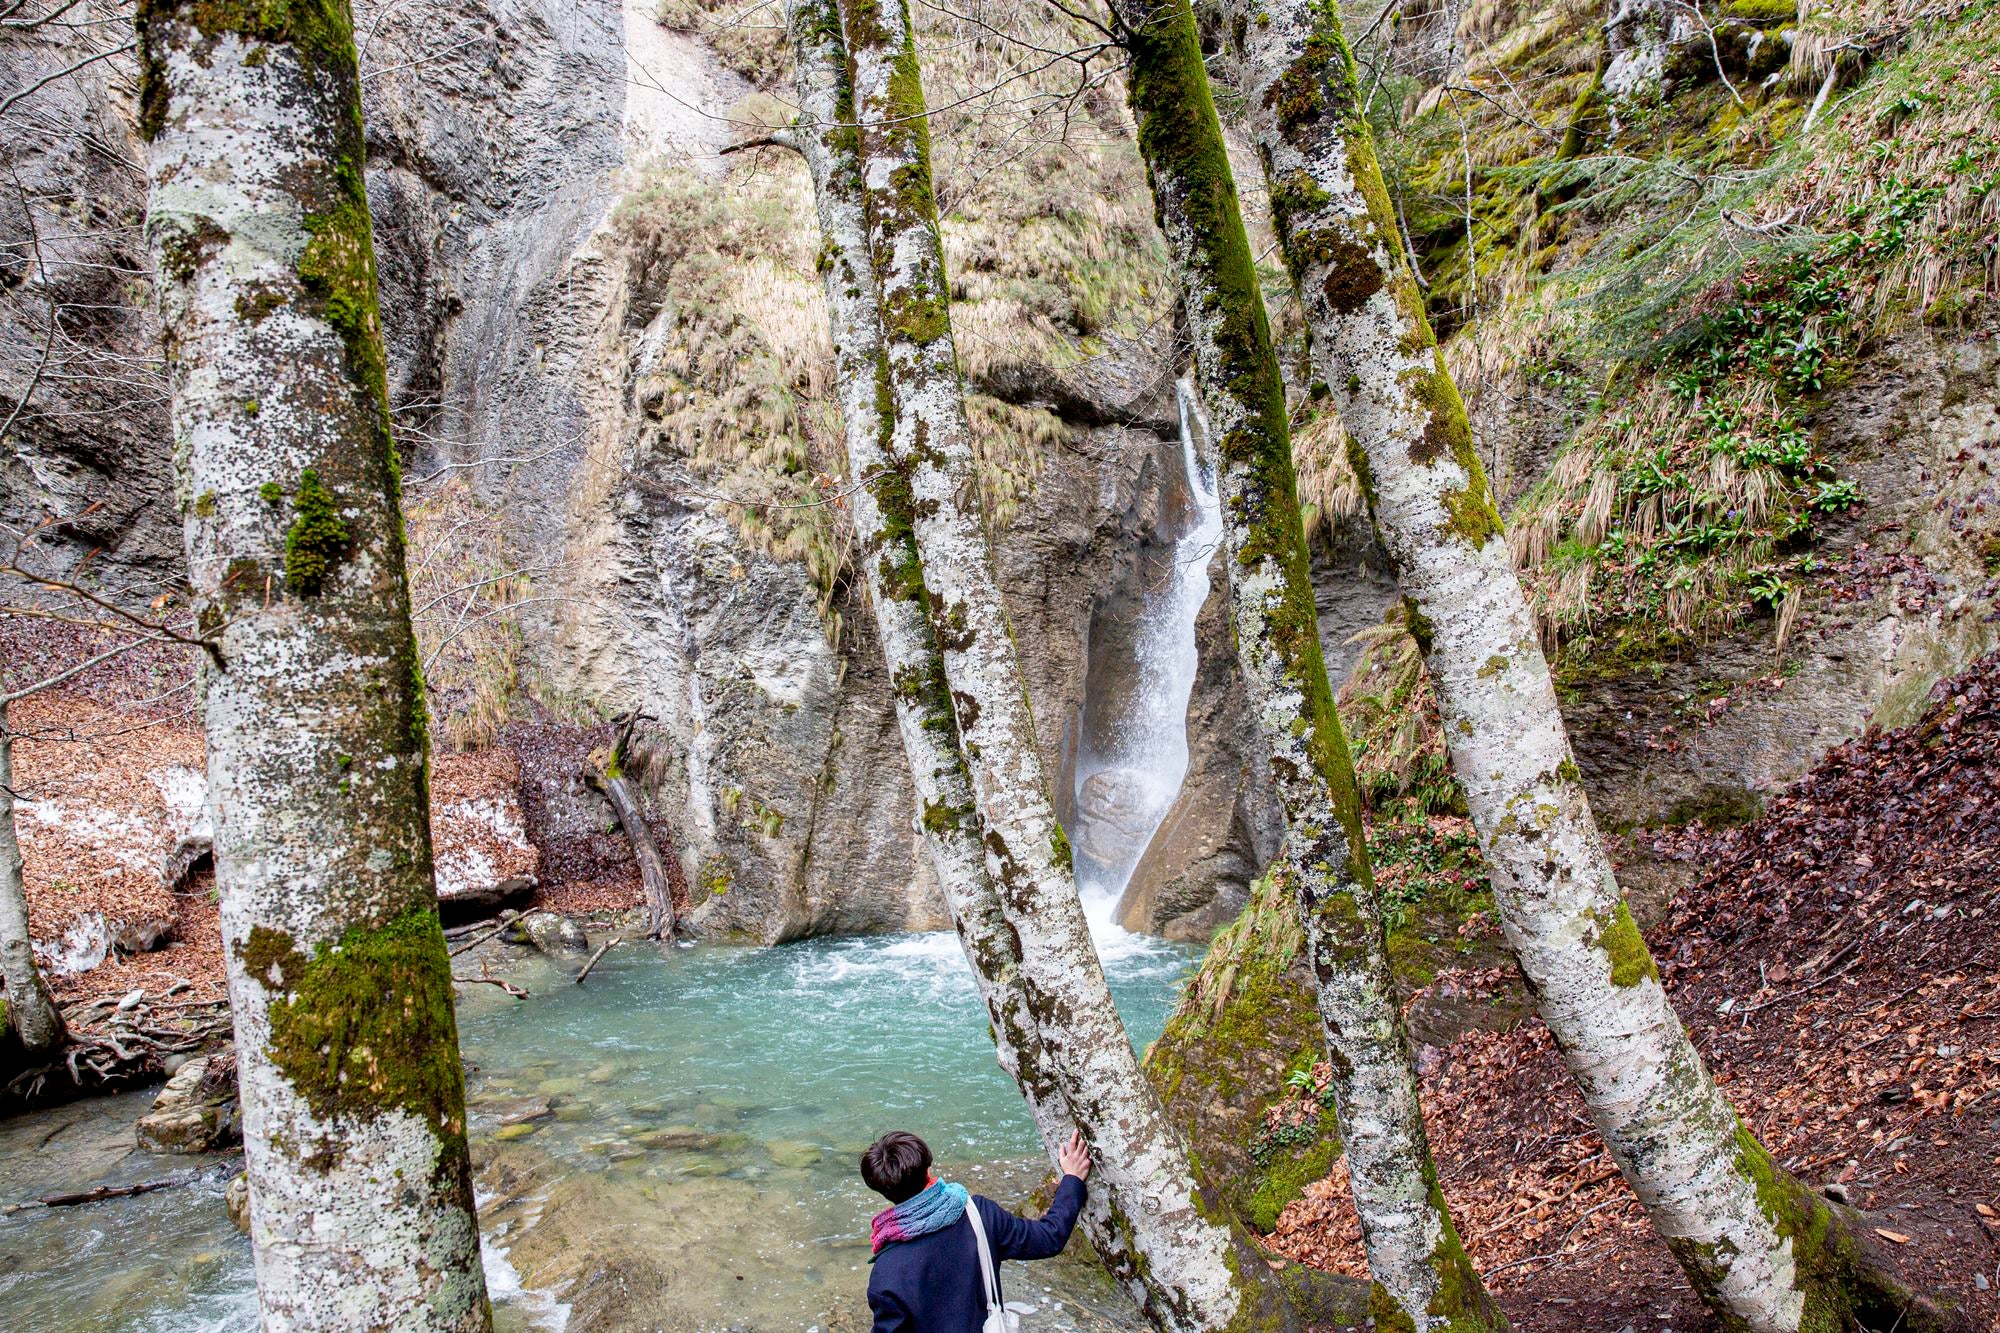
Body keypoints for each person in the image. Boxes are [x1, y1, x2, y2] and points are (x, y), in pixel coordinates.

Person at [861, 1128, 1092, 1332]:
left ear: (882, 1190)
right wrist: (1072, 1179)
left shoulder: (886, 1273)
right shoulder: (978, 1214)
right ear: (928, 1172)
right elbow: (1049, 1237)